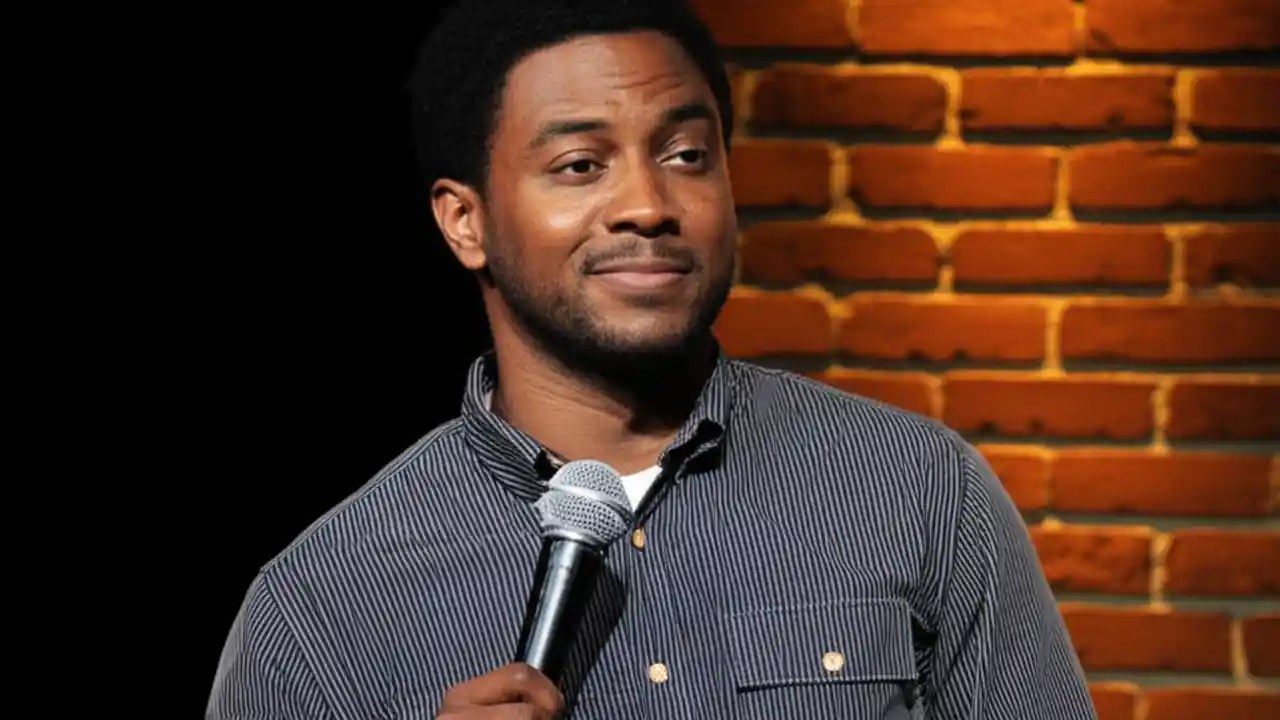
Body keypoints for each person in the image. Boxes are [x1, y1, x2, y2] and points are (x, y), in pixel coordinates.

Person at [207, 1, 1096, 717]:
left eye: (685, 155)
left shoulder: (917, 491)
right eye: (581, 164)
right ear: (464, 221)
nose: (647, 203)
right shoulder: (321, 607)